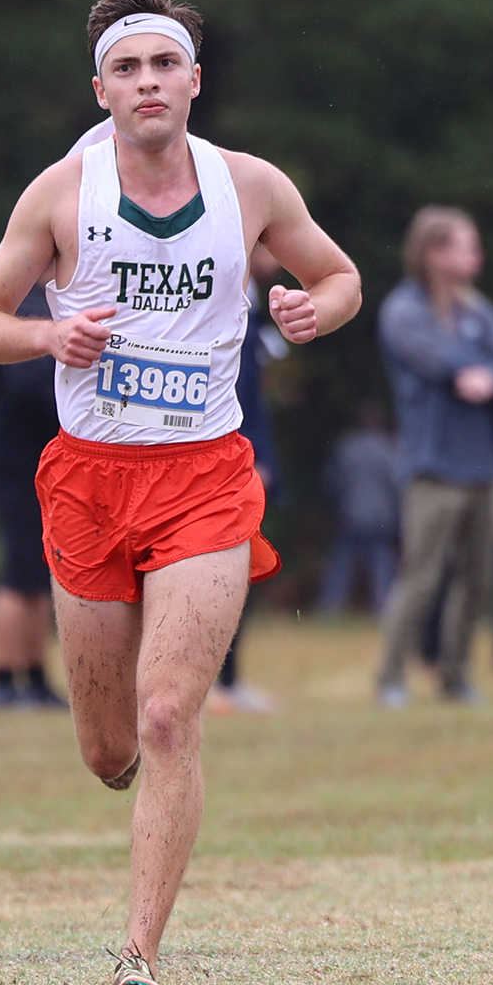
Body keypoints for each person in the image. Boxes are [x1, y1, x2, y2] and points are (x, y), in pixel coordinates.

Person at [0, 0, 361, 985]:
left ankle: (137, 959)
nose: (147, 83)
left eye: (163, 64)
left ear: (193, 79)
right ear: (100, 90)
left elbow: (342, 276)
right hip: (90, 480)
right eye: (126, 69)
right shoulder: (61, 193)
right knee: (109, 750)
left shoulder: (250, 185)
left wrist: (312, 309)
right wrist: (47, 336)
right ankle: (131, 767)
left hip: (206, 477)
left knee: (170, 714)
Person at [373, 206, 493, 708]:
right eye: (467, 246)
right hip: (431, 468)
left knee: (479, 579)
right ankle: (391, 679)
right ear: (434, 252)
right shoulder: (403, 310)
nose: (477, 255)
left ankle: (455, 677)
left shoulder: (477, 309)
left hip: (483, 466)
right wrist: (483, 367)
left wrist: (490, 375)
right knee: (421, 578)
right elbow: (440, 361)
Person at [0, 288, 68, 711]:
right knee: (17, 572)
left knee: (39, 569)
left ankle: (34, 677)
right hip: (16, 464)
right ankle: (3, 680)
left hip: (36, 463)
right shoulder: (28, 310)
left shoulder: (44, 304)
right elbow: (28, 387)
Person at [208, 248, 287, 715]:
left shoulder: (258, 298)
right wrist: (249, 453)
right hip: (221, 454)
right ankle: (213, 681)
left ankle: (228, 678)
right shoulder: (219, 294)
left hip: (248, 453)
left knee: (239, 571)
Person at [318, 405, 401, 616]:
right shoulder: (387, 449)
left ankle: (329, 610)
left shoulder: (346, 447)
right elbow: (398, 485)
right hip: (380, 518)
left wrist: (337, 508)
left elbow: (332, 483)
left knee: (341, 568)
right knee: (382, 568)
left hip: (350, 516)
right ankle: (384, 610)